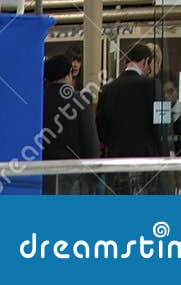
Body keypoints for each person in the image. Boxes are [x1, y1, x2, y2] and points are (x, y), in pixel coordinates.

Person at [95, 43, 164, 194]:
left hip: (116, 162)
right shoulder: (153, 86)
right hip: (146, 162)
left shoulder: (107, 89)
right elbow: (161, 126)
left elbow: (101, 129)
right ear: (146, 61)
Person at [41, 54, 99, 195]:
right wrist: (93, 177)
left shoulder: (39, 100)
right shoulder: (81, 100)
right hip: (73, 175)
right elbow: (90, 141)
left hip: (40, 174)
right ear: (69, 74)